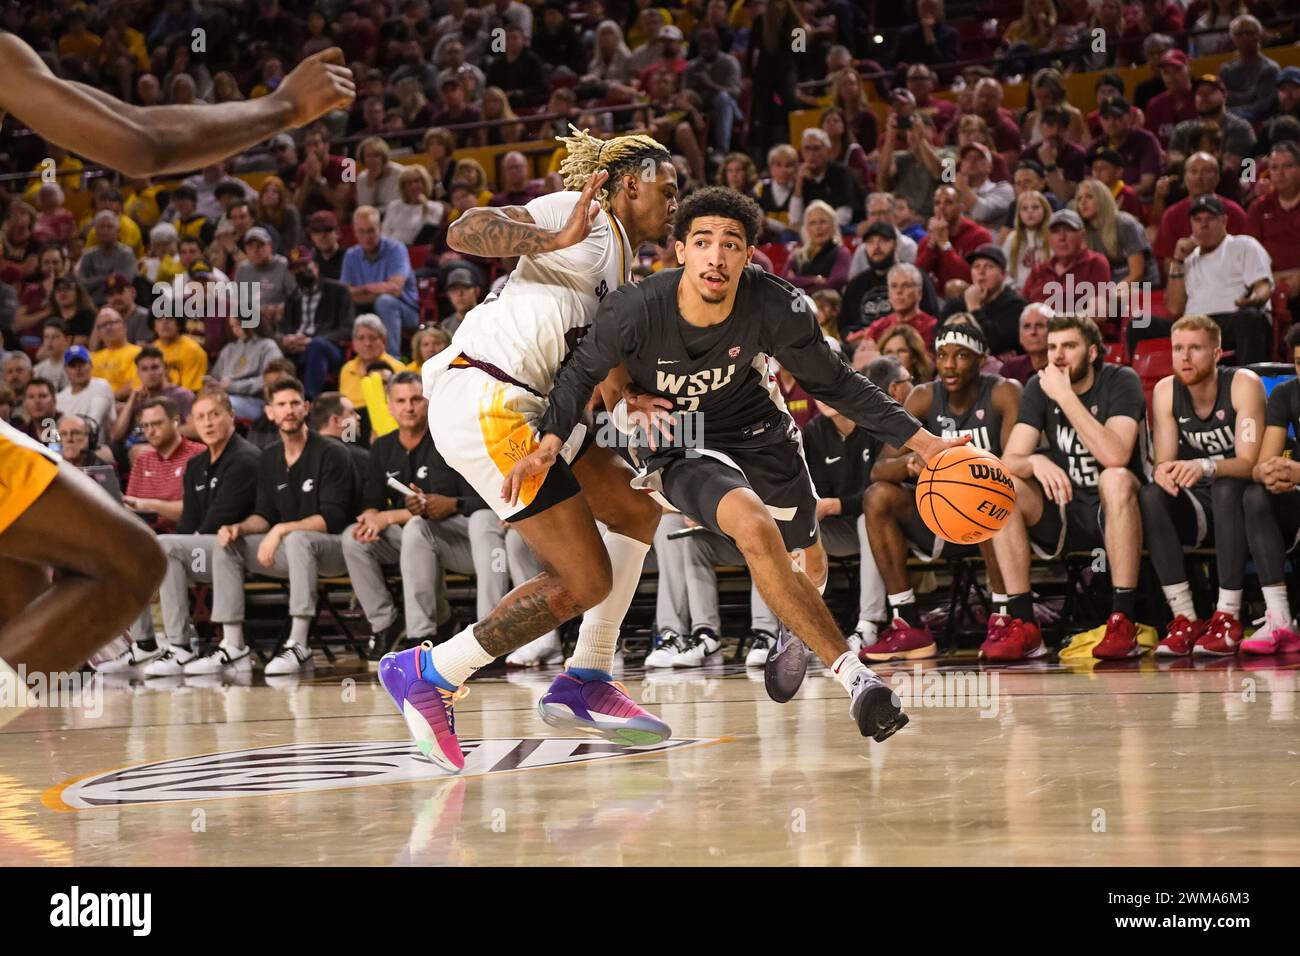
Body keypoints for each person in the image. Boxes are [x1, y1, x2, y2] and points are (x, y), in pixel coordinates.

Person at [513, 187, 971, 744]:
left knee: (811, 562)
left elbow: (837, 383)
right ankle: (858, 680)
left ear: (750, 256)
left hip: (758, 427)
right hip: (677, 436)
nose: (717, 256)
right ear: (679, 250)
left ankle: (797, 625)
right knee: (753, 525)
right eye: (702, 242)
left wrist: (925, 444)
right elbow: (581, 372)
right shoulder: (635, 307)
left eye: (732, 244)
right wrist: (551, 440)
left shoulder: (776, 304)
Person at [381, 126, 681, 771]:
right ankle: (429, 671)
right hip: (490, 397)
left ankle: (586, 678)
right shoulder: (582, 215)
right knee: (586, 578)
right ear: (629, 184)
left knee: (636, 508)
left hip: (541, 410)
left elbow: (595, 353)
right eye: (668, 188)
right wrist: (553, 237)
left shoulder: (623, 264)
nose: (675, 202)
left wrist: (626, 392)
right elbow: (465, 230)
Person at [984, 315, 1149, 662]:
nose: (1057, 356)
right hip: (1066, 507)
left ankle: (1123, 620)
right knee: (1003, 485)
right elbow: (1009, 458)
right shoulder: (1036, 386)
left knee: (1113, 478)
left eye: (1069, 347)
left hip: (1122, 512)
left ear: (1091, 352)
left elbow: (1116, 454)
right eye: (1052, 348)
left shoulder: (1121, 380)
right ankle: (1025, 624)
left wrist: (1065, 396)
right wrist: (1034, 462)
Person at [862, 323, 1019, 661]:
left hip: (996, 517)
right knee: (877, 496)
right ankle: (907, 623)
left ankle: (1005, 617)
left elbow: (1014, 466)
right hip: (939, 516)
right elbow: (880, 468)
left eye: (961, 356)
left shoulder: (1003, 392)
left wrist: (965, 474)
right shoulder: (923, 396)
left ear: (981, 359)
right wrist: (912, 462)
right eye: (943, 356)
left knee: (985, 491)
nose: (948, 365)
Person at [195, 377, 356, 677]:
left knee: (297, 540)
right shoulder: (268, 457)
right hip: (291, 552)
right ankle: (233, 646)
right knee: (227, 545)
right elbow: (264, 514)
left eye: (295, 403)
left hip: (334, 551)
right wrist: (239, 529)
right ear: (270, 413)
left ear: (306, 408)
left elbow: (333, 518)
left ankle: (299, 643)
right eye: (281, 405)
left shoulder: (333, 452)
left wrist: (280, 530)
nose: (289, 410)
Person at [343, 372, 508, 663]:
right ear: (389, 407)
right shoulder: (382, 447)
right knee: (353, 538)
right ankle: (388, 624)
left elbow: (480, 502)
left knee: (418, 527)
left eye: (415, 399)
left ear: (428, 403)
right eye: (401, 401)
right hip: (410, 536)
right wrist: (371, 518)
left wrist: (401, 514)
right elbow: (372, 502)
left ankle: (435, 633)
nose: (409, 407)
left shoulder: (447, 439)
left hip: (460, 536)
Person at [1141, 315, 1266, 657]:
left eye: (1195, 348)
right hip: (1199, 508)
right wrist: (1163, 473)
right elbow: (1164, 460)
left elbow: (1250, 463)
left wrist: (1205, 465)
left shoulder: (1244, 383)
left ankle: (1228, 615)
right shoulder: (1166, 390)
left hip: (1245, 503)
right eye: (1178, 348)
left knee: (1226, 484)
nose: (1185, 357)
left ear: (1217, 353)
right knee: (1151, 494)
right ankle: (1185, 618)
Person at [141, 388, 262, 676]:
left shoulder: (246, 459)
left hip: (240, 551)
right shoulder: (195, 465)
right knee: (151, 551)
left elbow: (221, 518)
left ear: (231, 417)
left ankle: (183, 646)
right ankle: (158, 645)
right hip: (205, 552)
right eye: (200, 417)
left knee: (166, 547)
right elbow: (188, 524)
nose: (207, 423)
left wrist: (181, 546)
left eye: (214, 415)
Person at [1240, 325, 1300, 655]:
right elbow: (1262, 464)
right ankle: (1279, 618)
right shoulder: (1286, 394)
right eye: (1299, 362)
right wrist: (1270, 472)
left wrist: (1296, 471)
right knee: (1254, 494)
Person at [1164, 195, 1274, 366]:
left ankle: (1251, 384)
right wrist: (1177, 260)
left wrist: (1255, 300)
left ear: (1224, 220)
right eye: (1197, 220)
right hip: (1193, 325)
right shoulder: (1188, 259)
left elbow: (1263, 286)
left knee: (1250, 318)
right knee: (1139, 326)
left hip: (1230, 320)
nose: (1203, 224)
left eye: (1210, 219)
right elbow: (1174, 307)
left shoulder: (1243, 245)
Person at [341, 206, 420, 356]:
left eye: (371, 230)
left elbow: (395, 289)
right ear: (355, 231)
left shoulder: (396, 248)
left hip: (406, 310)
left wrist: (361, 291)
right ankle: (356, 361)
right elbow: (345, 293)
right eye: (361, 232)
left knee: (385, 301)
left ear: (380, 228)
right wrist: (372, 288)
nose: (367, 237)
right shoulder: (351, 255)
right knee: (346, 304)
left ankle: (391, 360)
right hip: (366, 308)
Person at [278, 247, 355, 398]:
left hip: (329, 348)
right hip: (297, 349)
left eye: (305, 266)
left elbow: (347, 328)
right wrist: (287, 340)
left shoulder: (338, 291)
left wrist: (311, 341)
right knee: (271, 349)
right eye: (297, 269)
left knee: (316, 345)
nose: (302, 272)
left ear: (316, 266)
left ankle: (310, 399)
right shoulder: (292, 298)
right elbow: (282, 329)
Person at [940, 245, 1028, 356]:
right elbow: (938, 338)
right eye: (976, 267)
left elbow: (996, 346)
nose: (981, 272)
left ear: (1003, 275)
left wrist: (974, 308)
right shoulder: (957, 304)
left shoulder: (1016, 306)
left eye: (989, 267)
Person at [206, 313, 285, 420]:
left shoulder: (268, 346)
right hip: (224, 396)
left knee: (219, 405)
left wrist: (232, 386)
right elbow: (216, 376)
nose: (235, 330)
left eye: (238, 325)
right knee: (202, 403)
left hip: (255, 401)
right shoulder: (229, 349)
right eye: (233, 326)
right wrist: (213, 383)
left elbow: (270, 380)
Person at [57, 345, 116, 435]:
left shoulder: (101, 386)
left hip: (96, 446)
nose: (78, 369)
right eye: (73, 365)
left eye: (82, 364)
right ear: (65, 369)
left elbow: (92, 424)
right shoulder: (59, 398)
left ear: (91, 365)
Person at [999, 303, 1052, 384]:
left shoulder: (1062, 367)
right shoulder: (1010, 369)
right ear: (1020, 336)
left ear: (1054, 332)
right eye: (1027, 326)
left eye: (1040, 326)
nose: (1033, 332)